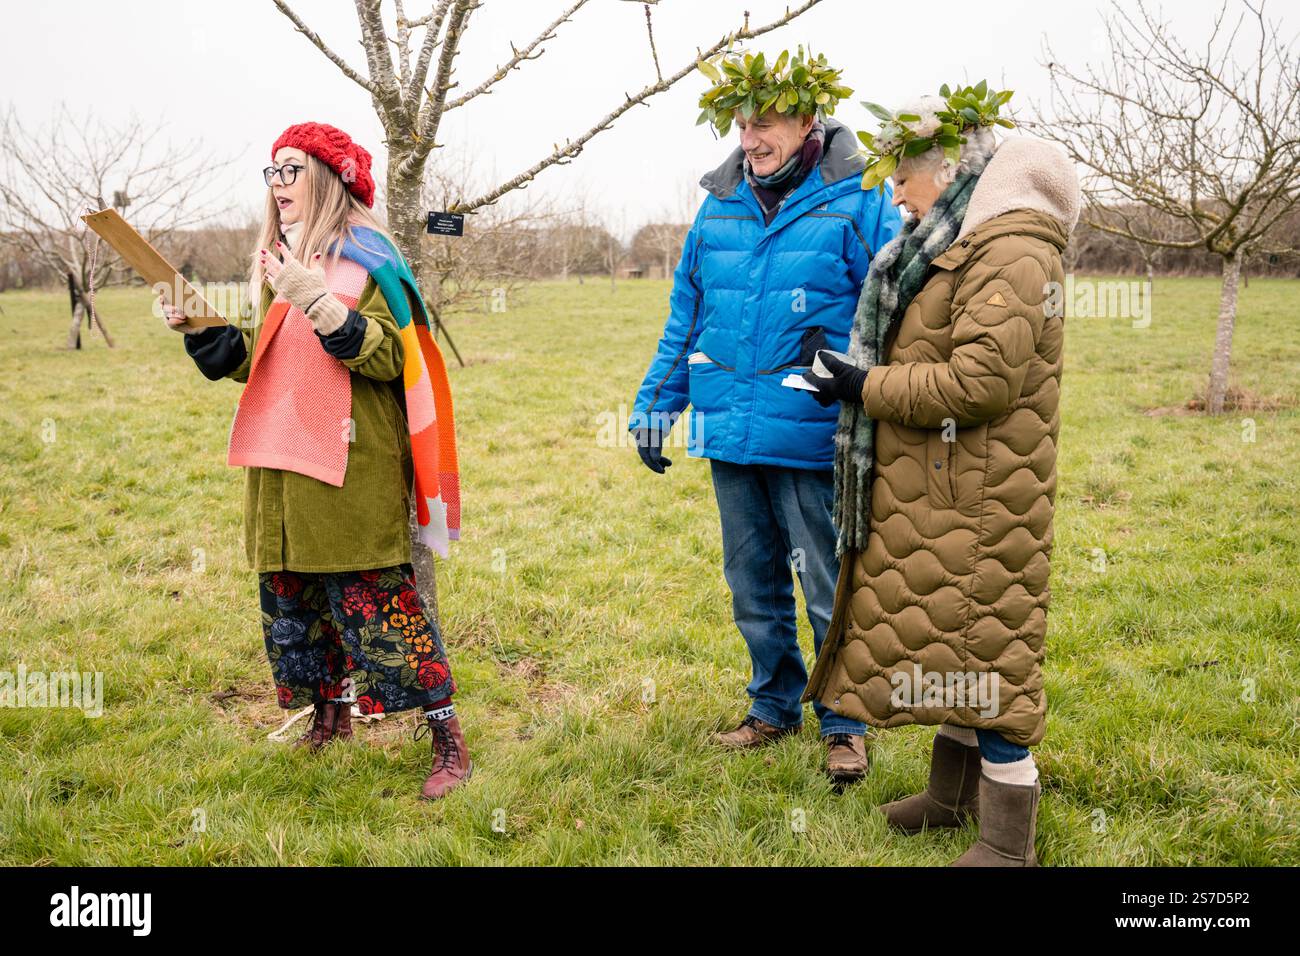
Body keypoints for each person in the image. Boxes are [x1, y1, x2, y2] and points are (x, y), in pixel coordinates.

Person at [801, 85, 1080, 864]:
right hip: (951, 487)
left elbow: (979, 384)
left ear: (951, 165)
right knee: (960, 649)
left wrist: (861, 387)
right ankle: (952, 800)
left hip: (984, 497)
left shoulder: (1013, 245)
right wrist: (850, 368)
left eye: (903, 174)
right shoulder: (965, 237)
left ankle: (1006, 841)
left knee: (987, 658)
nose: (894, 190)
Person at [160, 122, 470, 800]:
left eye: (290, 170)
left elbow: (394, 355)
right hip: (281, 461)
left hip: (352, 463)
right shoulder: (278, 260)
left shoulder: (369, 256)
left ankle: (448, 738)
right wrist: (198, 329)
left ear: (329, 177)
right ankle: (330, 718)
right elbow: (262, 362)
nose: (277, 185)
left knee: (380, 608)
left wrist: (319, 301)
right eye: (270, 172)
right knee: (294, 600)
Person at [630, 49, 902, 783]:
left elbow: (896, 310)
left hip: (813, 429)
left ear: (808, 120)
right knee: (751, 581)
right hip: (730, 426)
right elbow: (686, 314)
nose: (751, 138)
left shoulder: (857, 197)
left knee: (825, 582)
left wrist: (869, 381)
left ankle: (844, 721)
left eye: (769, 122)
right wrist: (656, 406)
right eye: (744, 123)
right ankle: (773, 706)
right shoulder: (718, 203)